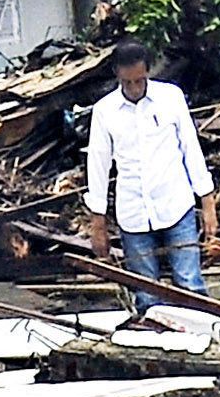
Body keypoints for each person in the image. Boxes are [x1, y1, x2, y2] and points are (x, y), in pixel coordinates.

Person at [83, 40, 212, 294]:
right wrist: (98, 222)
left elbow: (191, 149)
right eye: (127, 82)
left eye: (139, 80)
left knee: (190, 284)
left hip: (176, 205)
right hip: (133, 214)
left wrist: (207, 201)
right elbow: (97, 166)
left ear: (148, 72)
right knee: (145, 291)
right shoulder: (104, 111)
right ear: (117, 76)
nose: (134, 88)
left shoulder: (170, 98)